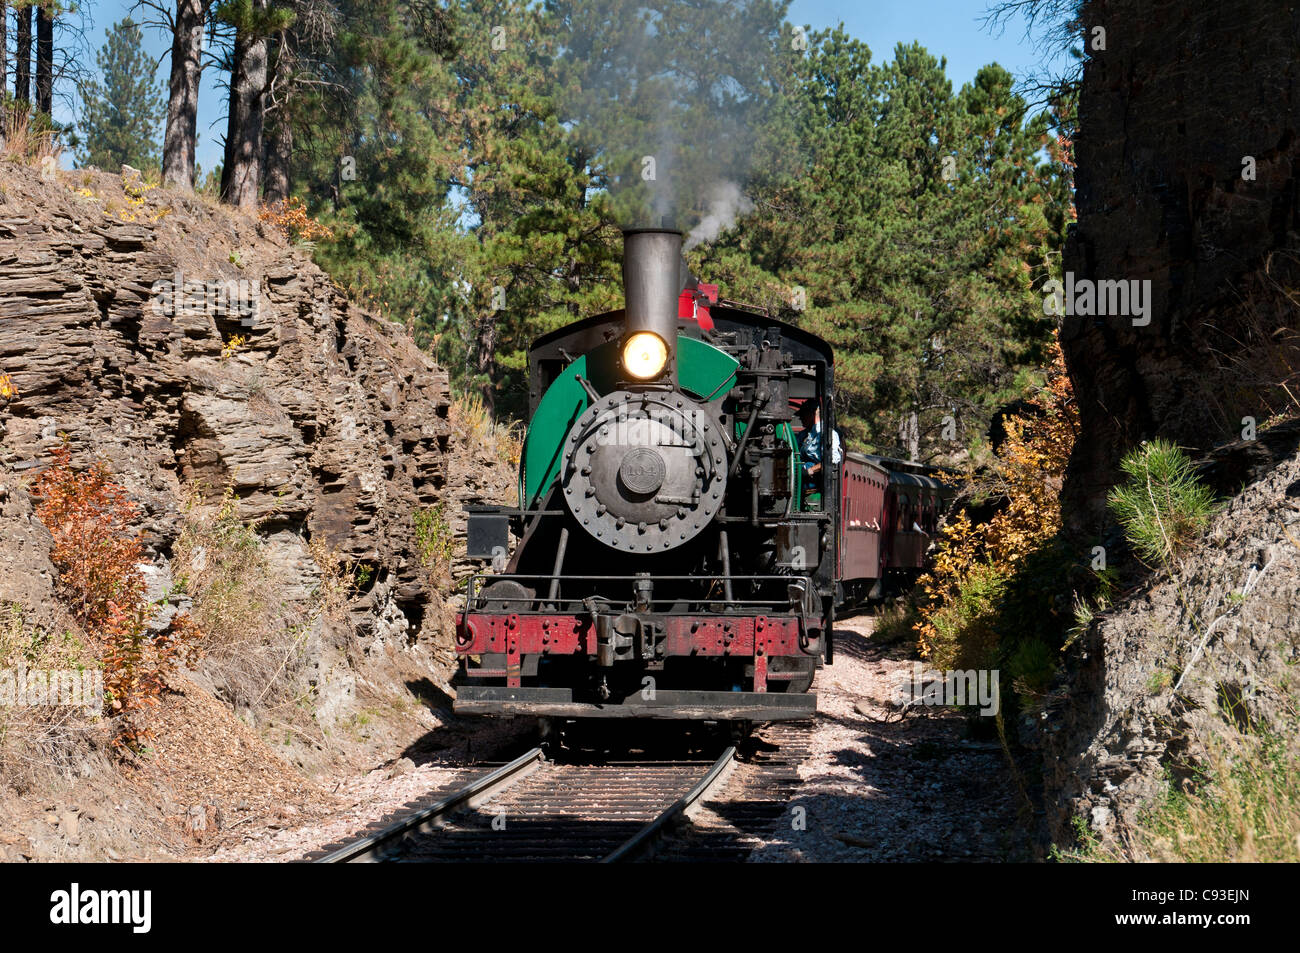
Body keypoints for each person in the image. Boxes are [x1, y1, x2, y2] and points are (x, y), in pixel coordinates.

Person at [797, 400, 841, 508]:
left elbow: (832, 460)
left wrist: (810, 471)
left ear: (813, 413)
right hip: (801, 484)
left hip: (815, 488)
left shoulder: (827, 434)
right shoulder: (805, 434)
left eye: (803, 415)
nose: (800, 418)